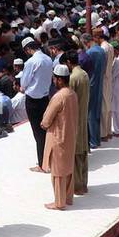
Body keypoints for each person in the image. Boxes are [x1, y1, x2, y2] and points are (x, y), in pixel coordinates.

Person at [42, 62, 79, 210]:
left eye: (54, 79)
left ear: (60, 79)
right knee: (68, 169)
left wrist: (44, 124)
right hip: (70, 135)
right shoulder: (72, 94)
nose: (53, 81)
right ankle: (68, 198)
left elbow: (46, 119)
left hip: (58, 137)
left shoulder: (59, 97)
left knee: (58, 172)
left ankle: (59, 202)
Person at [21, 35, 53, 171]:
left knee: (38, 133)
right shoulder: (48, 59)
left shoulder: (31, 62)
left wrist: (24, 88)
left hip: (33, 100)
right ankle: (49, 159)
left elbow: (24, 82)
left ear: (28, 49)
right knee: (46, 130)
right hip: (45, 98)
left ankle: (42, 164)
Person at [69, 45, 91, 195]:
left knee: (76, 153)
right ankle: (84, 183)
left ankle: (77, 186)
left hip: (75, 118)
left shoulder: (73, 77)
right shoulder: (84, 74)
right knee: (83, 152)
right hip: (83, 116)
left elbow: (69, 98)